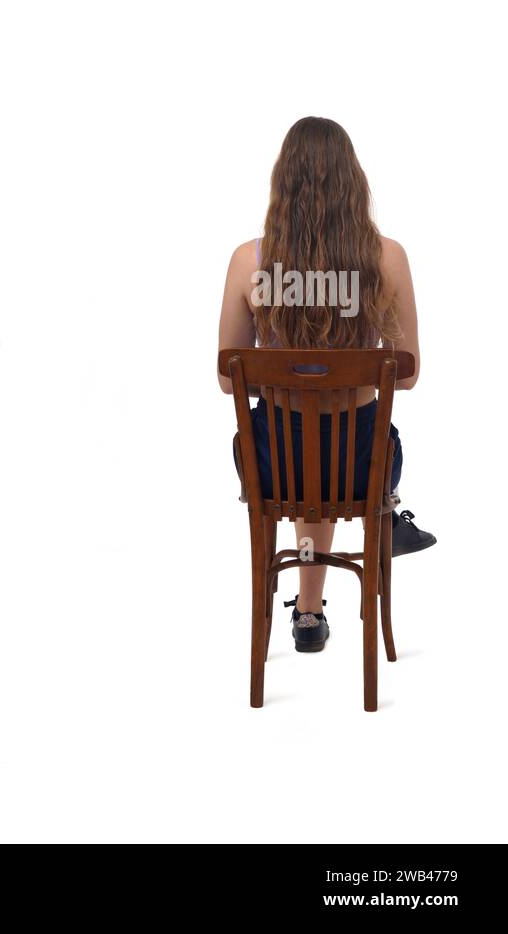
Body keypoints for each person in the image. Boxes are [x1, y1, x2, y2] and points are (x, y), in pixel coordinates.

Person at [218, 116, 436, 654]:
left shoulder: (250, 262)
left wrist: (287, 375)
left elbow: (228, 378)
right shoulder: (387, 259)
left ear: (282, 181)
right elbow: (405, 375)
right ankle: (385, 521)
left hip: (275, 465)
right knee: (339, 438)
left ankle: (310, 612)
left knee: (300, 439)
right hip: (361, 464)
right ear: (353, 181)